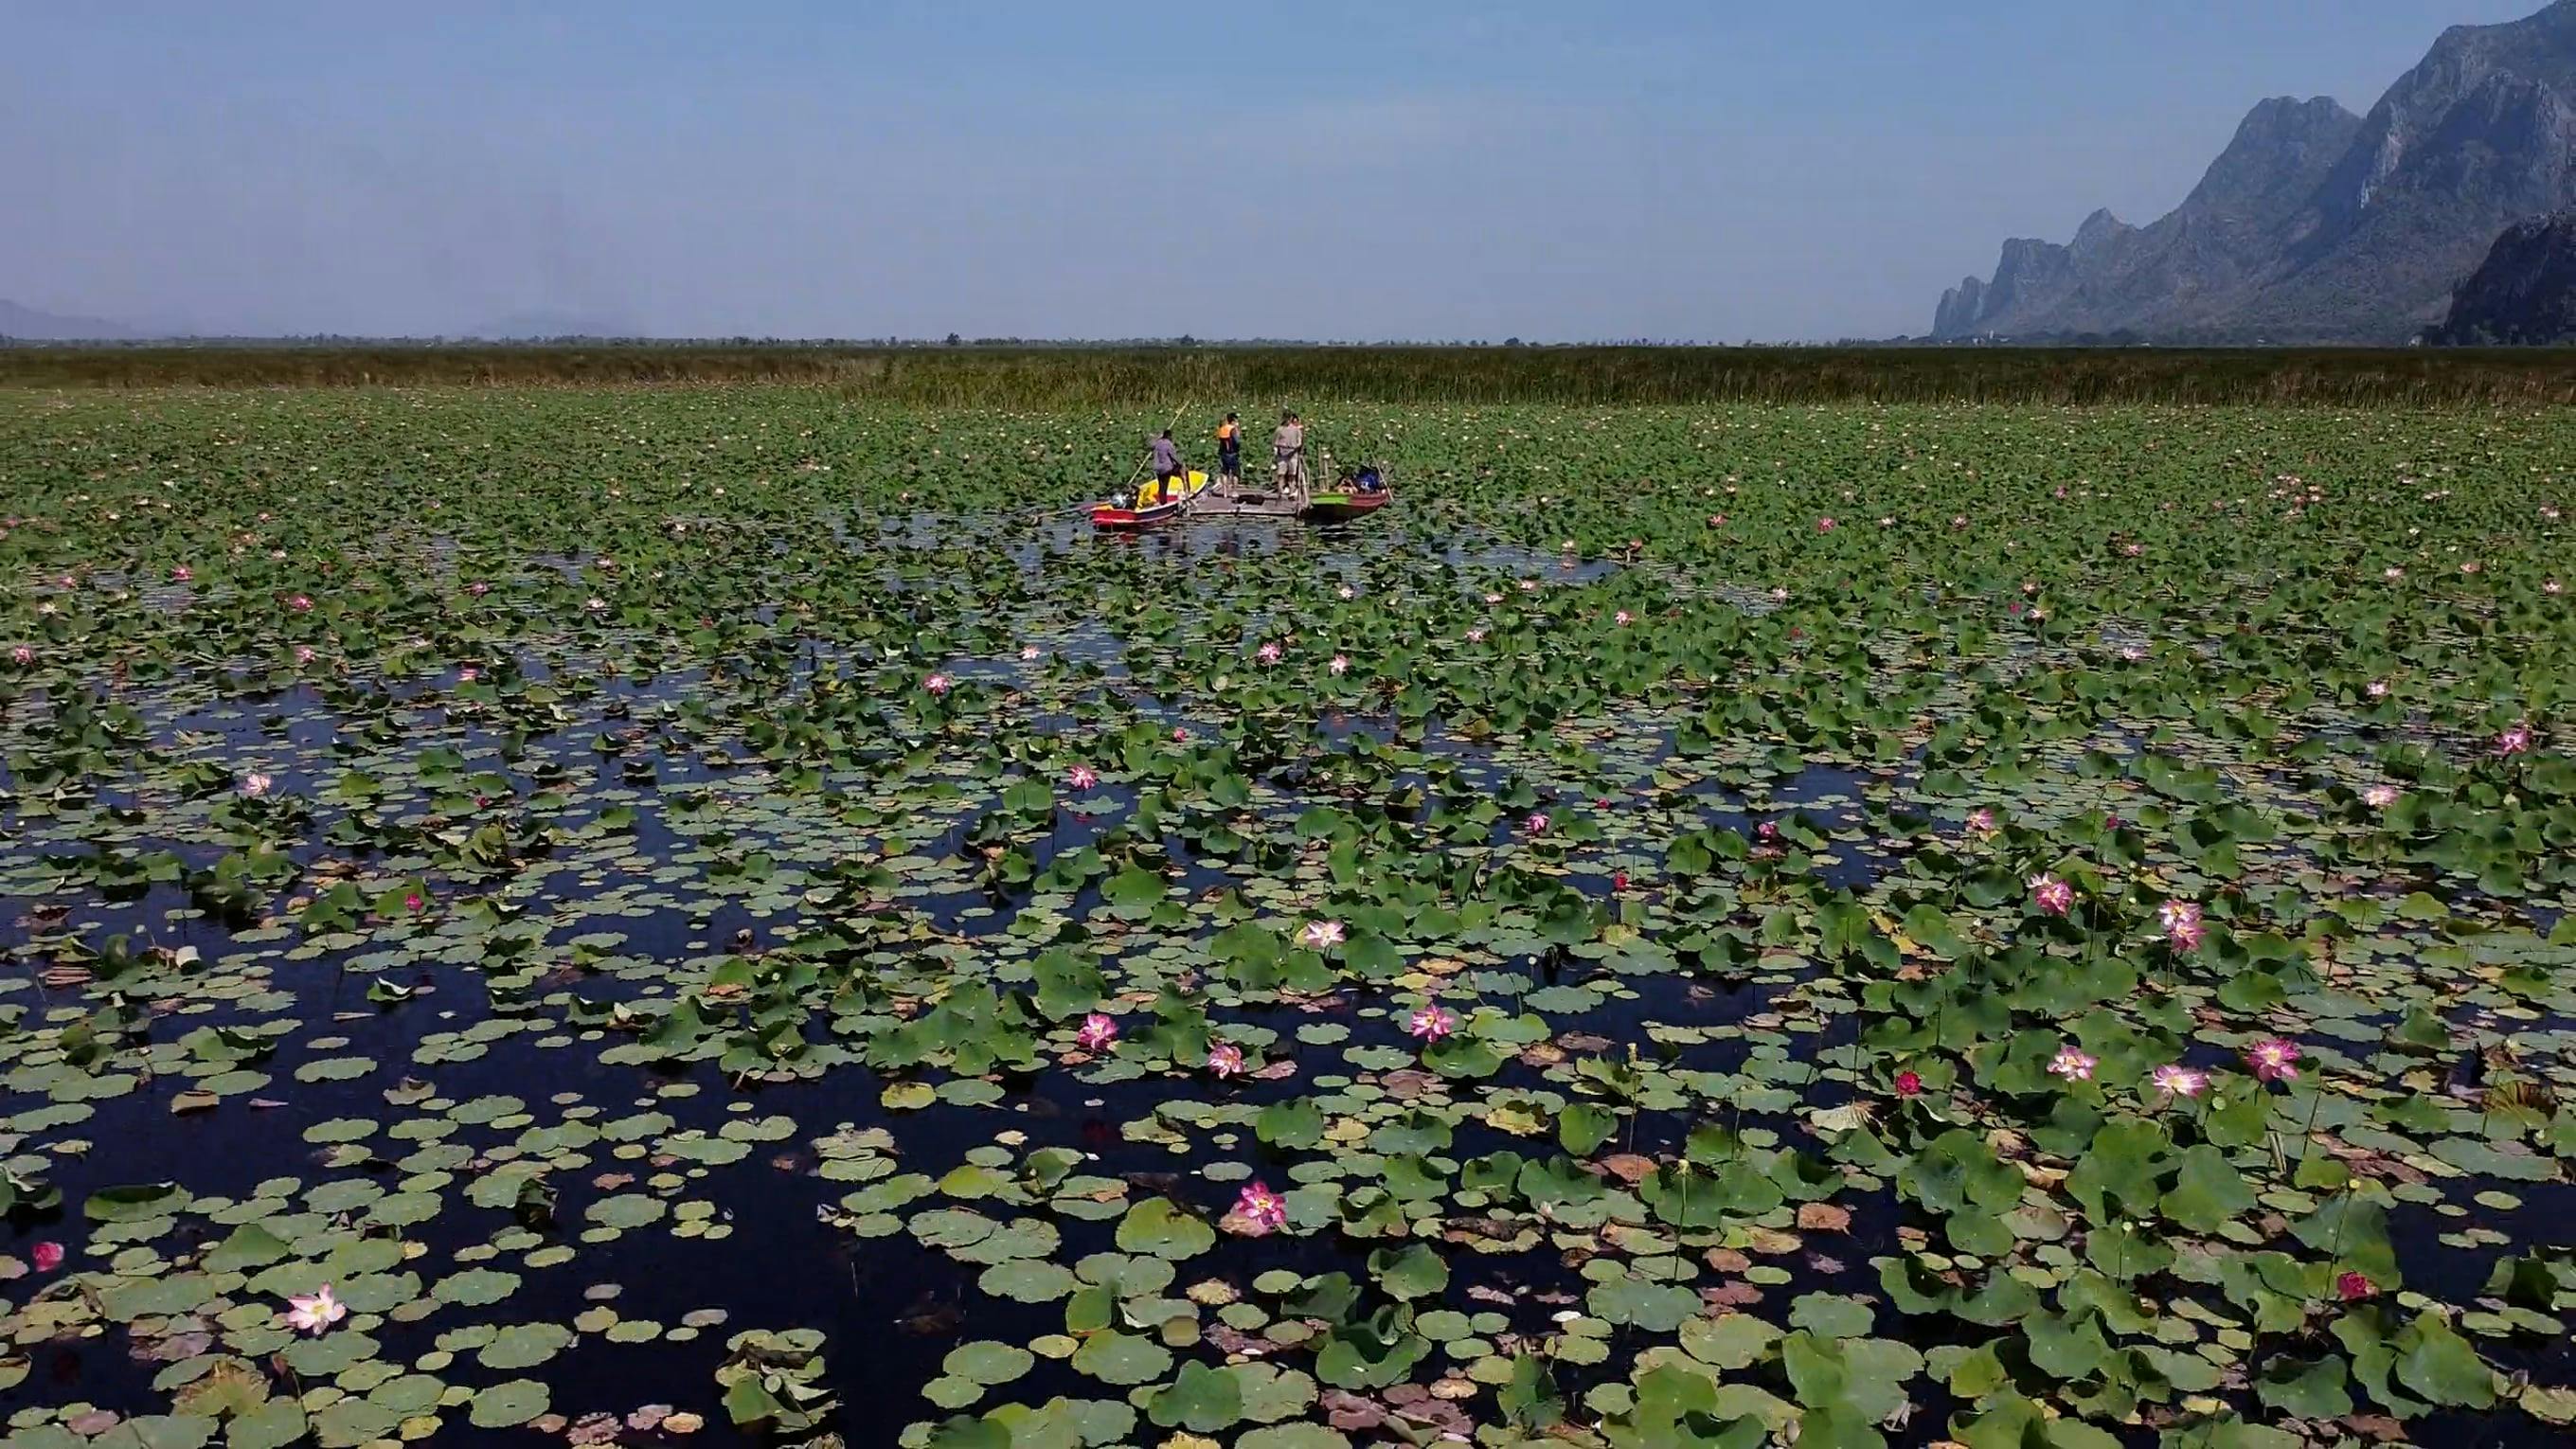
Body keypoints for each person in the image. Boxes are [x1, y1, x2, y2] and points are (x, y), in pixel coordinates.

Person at [1272, 410, 1305, 494]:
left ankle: (1292, 491)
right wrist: (1277, 449)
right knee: (1281, 474)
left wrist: (1295, 447)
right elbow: (1275, 442)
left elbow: (1299, 442)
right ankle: (1280, 492)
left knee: (1292, 474)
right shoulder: (1279, 429)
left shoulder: (1296, 430)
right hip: (1282, 455)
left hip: (1293, 454)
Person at [1215, 413, 1242, 487]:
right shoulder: (1233, 429)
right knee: (1235, 473)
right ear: (1233, 421)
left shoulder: (1222, 428)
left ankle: (1225, 491)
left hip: (1223, 453)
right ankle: (1234, 490)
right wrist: (1238, 430)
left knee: (1224, 473)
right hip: (1232, 453)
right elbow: (1237, 441)